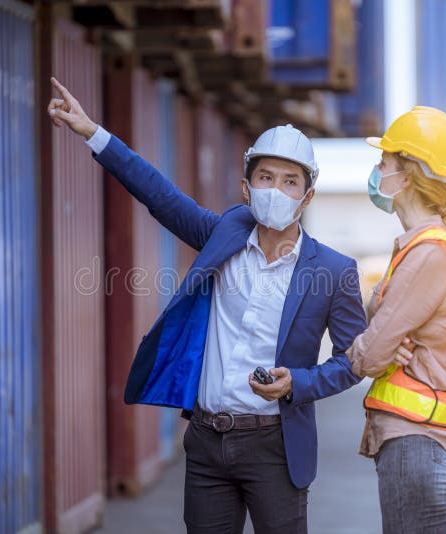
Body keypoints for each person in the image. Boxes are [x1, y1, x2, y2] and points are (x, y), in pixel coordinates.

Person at [47, 77, 367, 533]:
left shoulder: (335, 271)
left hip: (275, 447)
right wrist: (92, 132)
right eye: (266, 178)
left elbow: (353, 362)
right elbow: (159, 195)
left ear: (307, 196)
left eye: (290, 181)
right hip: (205, 442)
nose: (276, 190)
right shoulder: (225, 234)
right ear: (246, 187)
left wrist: (298, 383)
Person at [345, 106, 446, 533]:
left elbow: (368, 356)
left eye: (383, 163)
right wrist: (382, 341)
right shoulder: (424, 248)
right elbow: (381, 335)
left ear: (406, 178)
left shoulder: (429, 253)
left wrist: (371, 347)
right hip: (424, 447)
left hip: (420, 445)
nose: (376, 171)